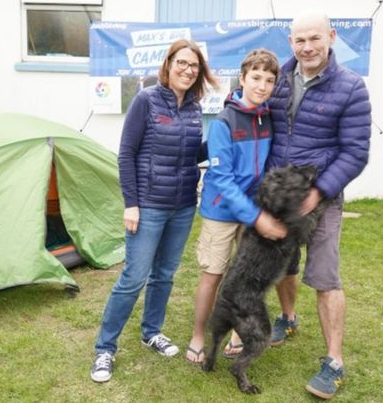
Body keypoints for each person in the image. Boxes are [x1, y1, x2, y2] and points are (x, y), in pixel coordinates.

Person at [91, 39, 217, 383]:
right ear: (169, 63)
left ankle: (151, 331)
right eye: (182, 63)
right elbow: (126, 154)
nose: (188, 70)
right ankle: (105, 348)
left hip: (182, 206)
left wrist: (221, 137)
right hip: (147, 205)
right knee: (133, 278)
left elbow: (190, 154)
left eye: (194, 66)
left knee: (164, 275)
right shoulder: (146, 100)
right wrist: (131, 203)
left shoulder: (194, 108)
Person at [266, 12, 371, 399]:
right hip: (281, 196)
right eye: (299, 40)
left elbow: (356, 152)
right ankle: (288, 319)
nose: (307, 47)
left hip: (321, 200)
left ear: (331, 36)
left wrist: (318, 192)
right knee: (283, 265)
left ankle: (334, 362)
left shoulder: (351, 88)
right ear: (290, 42)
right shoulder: (277, 79)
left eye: (314, 38)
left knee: (325, 279)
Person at [185, 49, 287, 365]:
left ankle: (238, 332)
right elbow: (224, 181)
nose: (262, 86)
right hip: (222, 211)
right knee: (213, 275)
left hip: (254, 211)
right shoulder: (223, 122)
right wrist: (257, 218)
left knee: (245, 279)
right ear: (242, 78)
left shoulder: (267, 117)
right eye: (256, 78)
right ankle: (198, 335)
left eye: (270, 80)